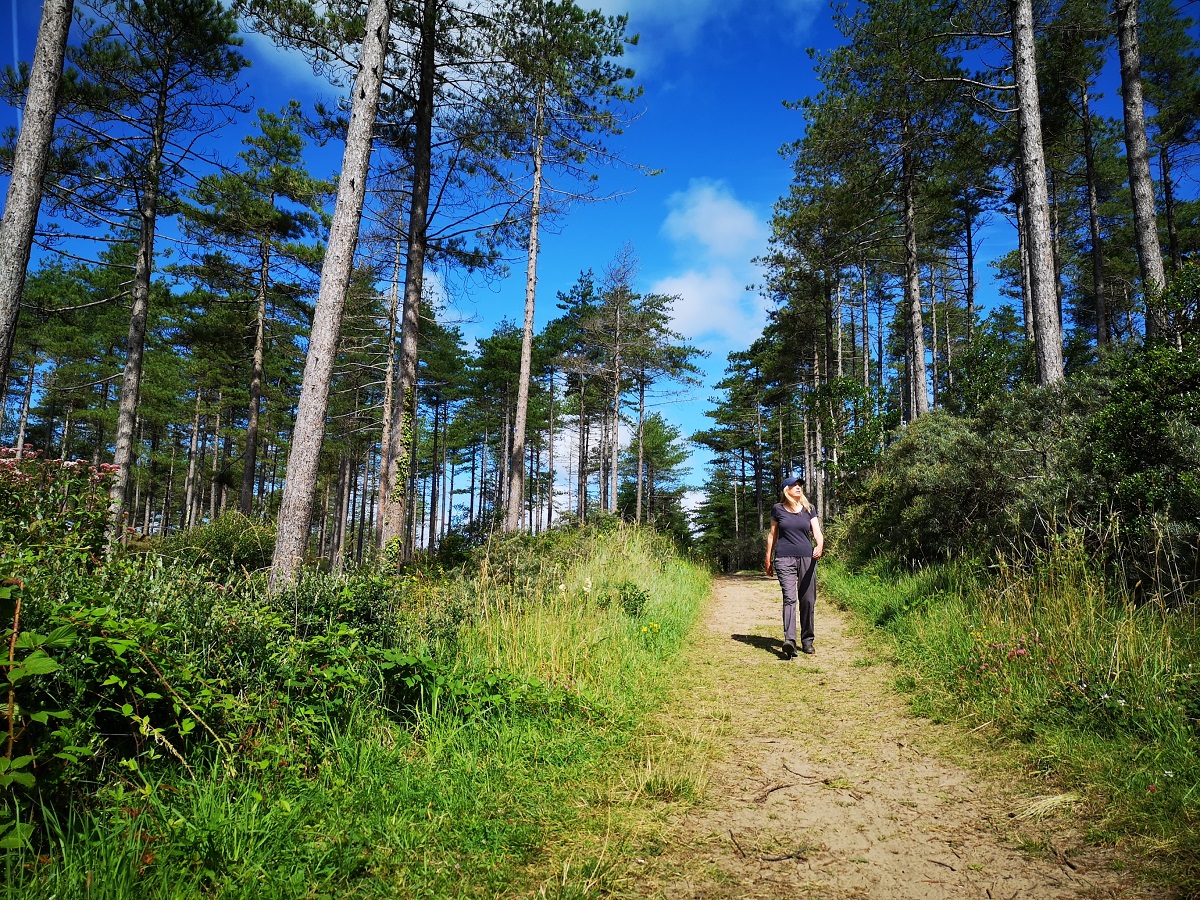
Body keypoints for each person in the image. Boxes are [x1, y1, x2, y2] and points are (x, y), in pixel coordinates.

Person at [764, 475, 825, 658]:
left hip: (807, 557)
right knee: (789, 598)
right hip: (784, 558)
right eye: (794, 485)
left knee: (807, 600)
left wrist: (819, 546)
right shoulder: (778, 509)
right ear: (786, 489)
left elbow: (817, 533)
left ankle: (807, 641)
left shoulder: (809, 509)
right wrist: (768, 558)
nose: (798, 487)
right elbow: (772, 535)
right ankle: (790, 640)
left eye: (799, 485)